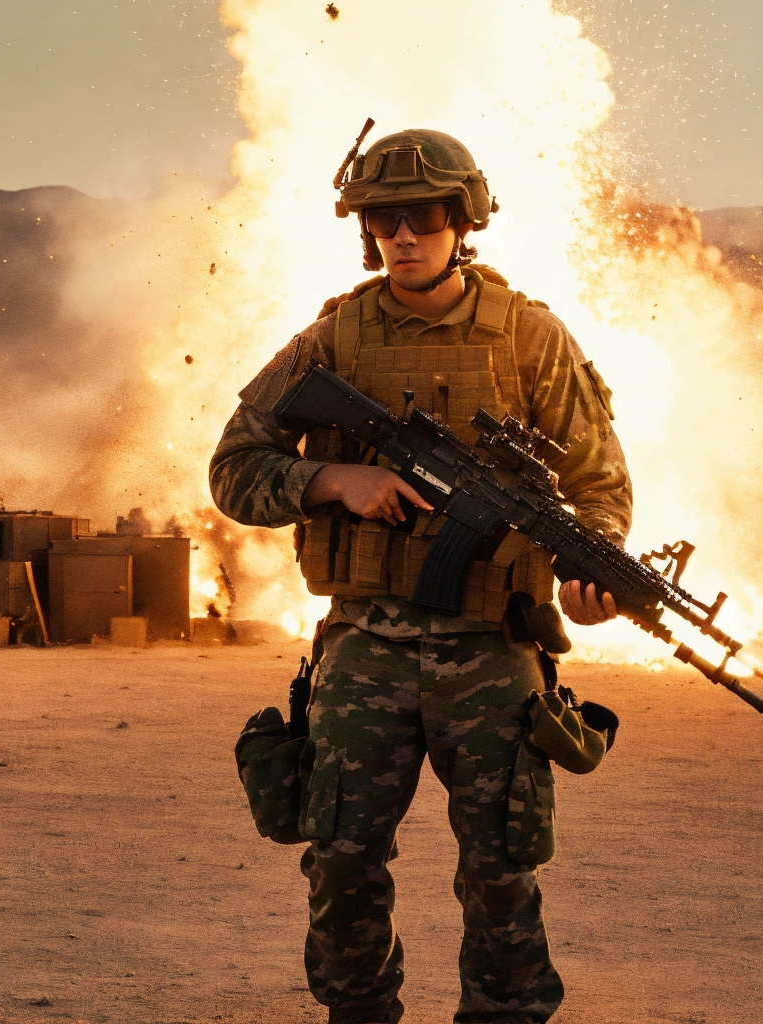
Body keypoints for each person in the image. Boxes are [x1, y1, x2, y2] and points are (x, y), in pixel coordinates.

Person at [210, 126, 631, 1024]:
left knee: (501, 863)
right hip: (365, 649)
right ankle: (358, 1012)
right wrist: (332, 479)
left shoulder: (528, 335)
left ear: (462, 219)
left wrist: (590, 582)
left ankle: (507, 1012)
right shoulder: (332, 339)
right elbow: (235, 468)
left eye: (425, 216)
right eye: (384, 218)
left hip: (493, 648)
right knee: (342, 855)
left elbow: (598, 486)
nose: (404, 235)